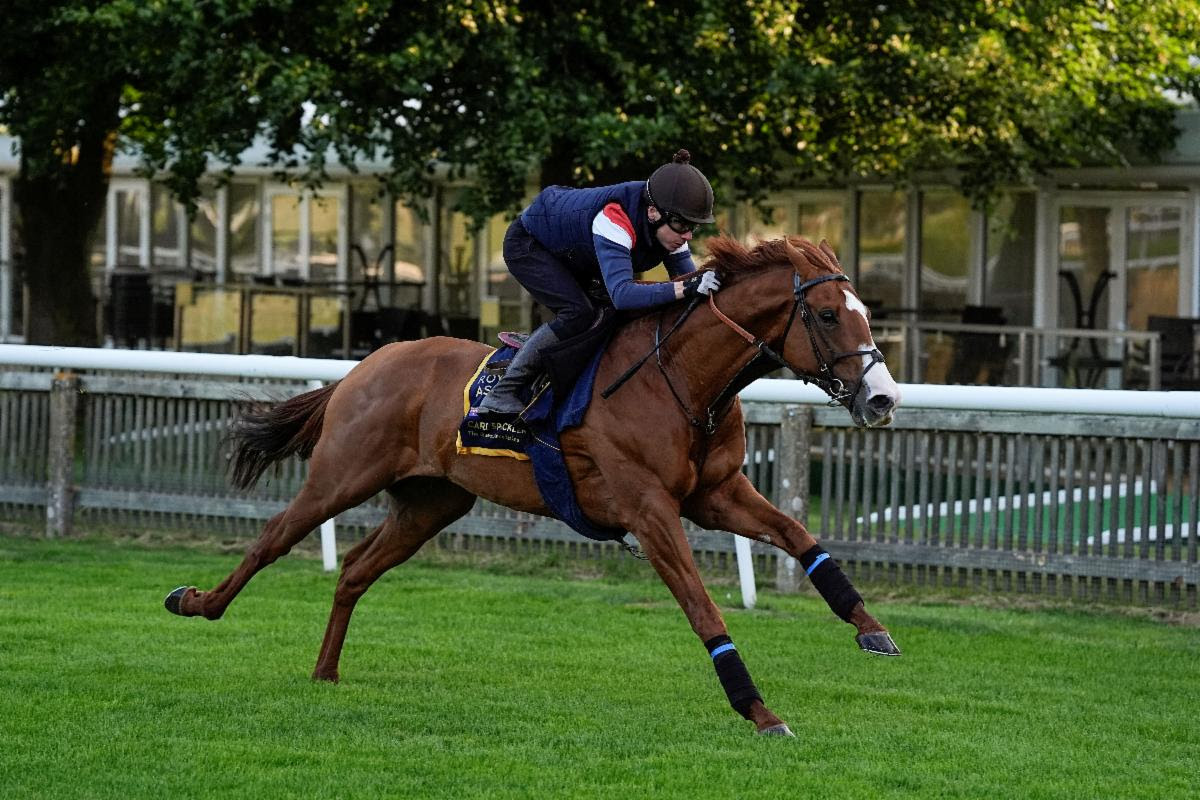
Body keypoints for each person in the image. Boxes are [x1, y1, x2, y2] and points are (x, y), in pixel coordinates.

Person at [472, 149, 722, 421]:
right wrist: (684, 289)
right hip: (531, 244)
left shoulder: (669, 225)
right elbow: (624, 295)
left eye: (693, 228)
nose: (687, 236)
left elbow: (690, 287)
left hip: (576, 248)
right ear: (652, 212)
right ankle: (501, 393)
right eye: (682, 225)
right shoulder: (615, 218)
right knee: (579, 313)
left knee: (607, 316)